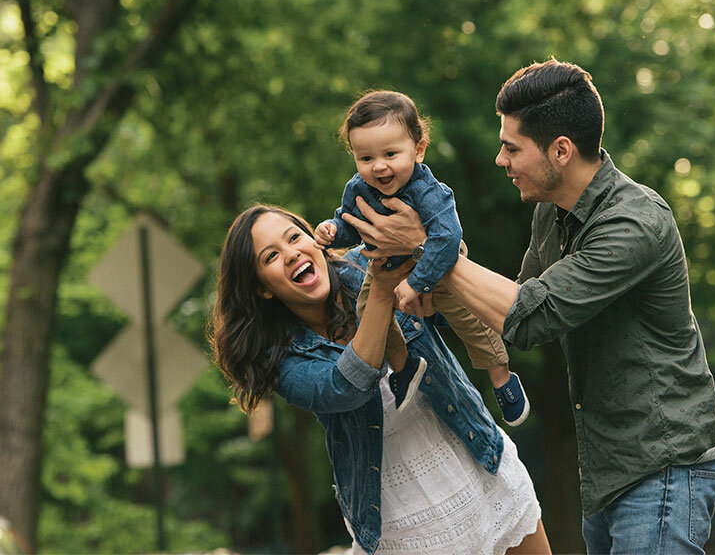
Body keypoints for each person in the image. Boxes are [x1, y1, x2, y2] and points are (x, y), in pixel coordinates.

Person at [341, 59, 715, 554]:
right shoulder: (553, 212)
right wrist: (426, 286)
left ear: (561, 151)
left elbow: (531, 315)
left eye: (511, 147)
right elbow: (512, 307)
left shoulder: (634, 223)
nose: (500, 160)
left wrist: (426, 246)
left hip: (667, 463)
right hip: (609, 465)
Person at [211, 204, 551, 555]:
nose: (291, 253)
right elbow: (347, 387)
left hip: (480, 458)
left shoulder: (368, 262)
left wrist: (430, 282)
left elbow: (456, 293)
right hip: (399, 518)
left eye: (294, 237)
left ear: (316, 241)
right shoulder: (286, 362)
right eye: (271, 256)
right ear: (262, 289)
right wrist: (383, 290)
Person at [314, 90, 529, 425]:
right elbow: (350, 221)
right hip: (388, 267)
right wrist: (332, 229)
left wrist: (418, 283)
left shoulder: (427, 191)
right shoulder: (357, 188)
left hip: (438, 262)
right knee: (367, 311)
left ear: (418, 149)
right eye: (365, 158)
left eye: (390, 153)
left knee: (470, 317)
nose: (379, 166)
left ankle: (501, 376)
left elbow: (446, 238)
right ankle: (404, 366)